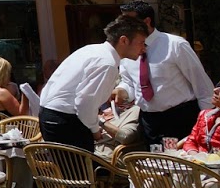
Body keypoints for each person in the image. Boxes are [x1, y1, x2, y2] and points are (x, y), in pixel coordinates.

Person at [37, 16, 149, 152]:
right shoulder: (106, 63)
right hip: (64, 121)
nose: (144, 49)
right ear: (124, 40)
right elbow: (85, 104)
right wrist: (95, 129)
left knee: (69, 171)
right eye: (141, 43)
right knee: (78, 172)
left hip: (52, 115)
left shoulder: (92, 50)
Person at [116, 0, 214, 145]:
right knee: (155, 165)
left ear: (147, 21)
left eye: (128, 22)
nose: (123, 27)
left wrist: (207, 125)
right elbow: (130, 82)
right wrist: (121, 90)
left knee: (181, 164)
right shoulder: (127, 48)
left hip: (178, 118)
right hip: (149, 121)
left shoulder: (175, 45)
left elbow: (202, 86)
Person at [95, 82, 144, 158]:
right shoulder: (101, 108)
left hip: (107, 158)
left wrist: (101, 122)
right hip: (90, 153)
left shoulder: (134, 111)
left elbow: (125, 137)